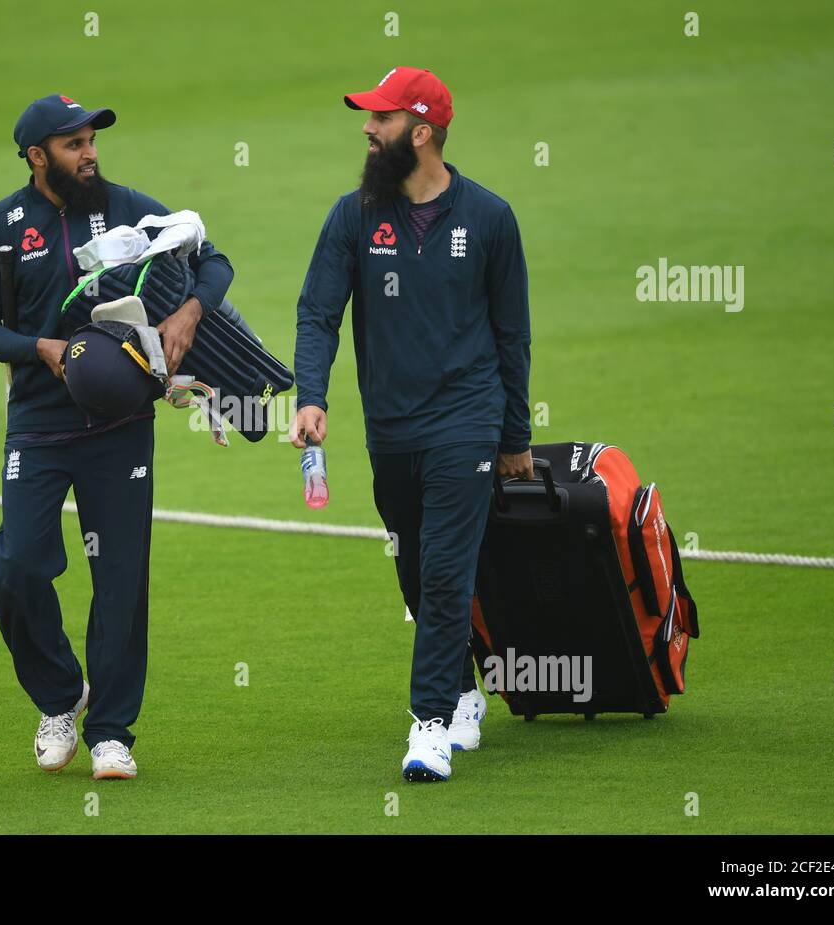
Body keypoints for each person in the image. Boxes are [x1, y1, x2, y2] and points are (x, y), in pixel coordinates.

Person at [0, 93, 233, 780]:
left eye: (91, 140)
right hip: (38, 425)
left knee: (120, 578)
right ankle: (60, 697)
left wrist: (190, 315)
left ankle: (111, 732)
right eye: (73, 144)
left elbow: (214, 259)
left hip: (122, 426)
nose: (89, 153)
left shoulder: (127, 207)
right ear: (36, 155)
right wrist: (43, 348)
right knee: (17, 566)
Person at [289, 67, 533, 782]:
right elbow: (318, 311)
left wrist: (513, 435)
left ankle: (428, 725)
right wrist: (312, 394)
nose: (367, 129)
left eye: (382, 119)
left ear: (420, 132)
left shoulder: (490, 218)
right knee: (414, 566)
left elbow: (512, 335)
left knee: (446, 566)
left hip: (468, 420)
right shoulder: (354, 215)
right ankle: (460, 686)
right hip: (391, 428)